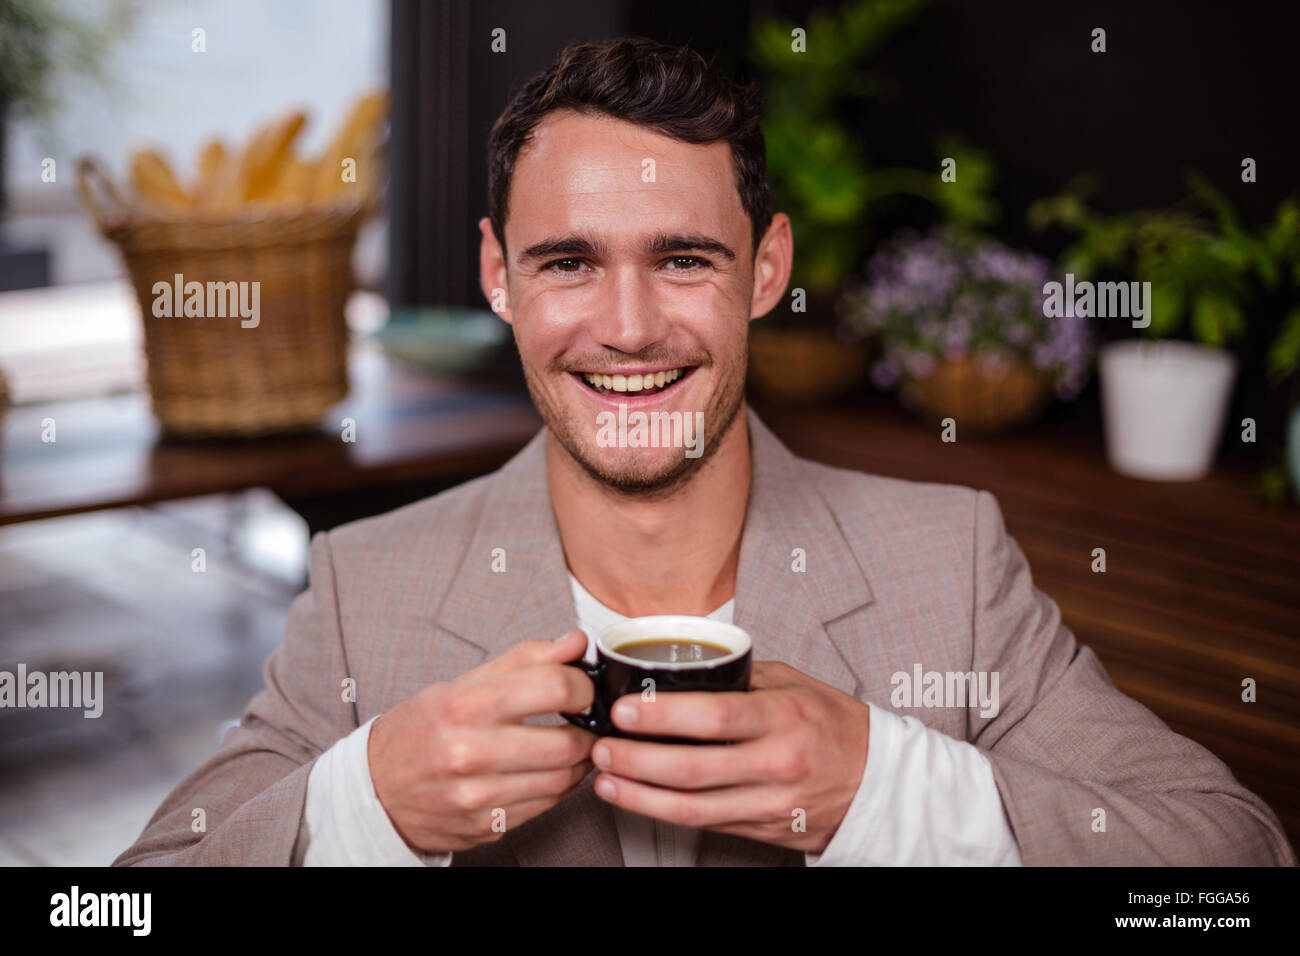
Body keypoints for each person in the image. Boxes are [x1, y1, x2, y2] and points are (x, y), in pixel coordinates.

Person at [115, 37, 1294, 867]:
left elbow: (1229, 865)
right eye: (568, 261)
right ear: (496, 277)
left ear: (766, 270)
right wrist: (362, 807)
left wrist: (888, 790)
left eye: (682, 259)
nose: (626, 327)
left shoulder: (952, 562)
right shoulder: (362, 588)